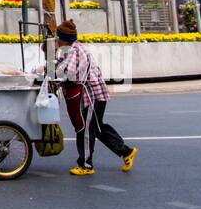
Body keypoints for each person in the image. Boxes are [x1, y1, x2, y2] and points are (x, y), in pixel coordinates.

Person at [47, 20, 136, 176]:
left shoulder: (76, 51)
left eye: (58, 38)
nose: (56, 41)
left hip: (91, 95)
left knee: (86, 129)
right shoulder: (71, 50)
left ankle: (86, 165)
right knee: (97, 128)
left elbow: (67, 73)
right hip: (96, 94)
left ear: (64, 39)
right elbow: (60, 66)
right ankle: (126, 152)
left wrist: (50, 73)